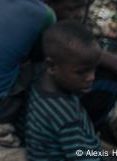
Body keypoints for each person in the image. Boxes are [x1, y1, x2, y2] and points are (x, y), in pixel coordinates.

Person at [36, 0, 117, 127]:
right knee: (109, 81)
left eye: (83, 7)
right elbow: (116, 65)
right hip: (46, 101)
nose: (79, 14)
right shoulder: (49, 32)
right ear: (47, 4)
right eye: (72, 8)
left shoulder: (48, 19)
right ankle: (87, 126)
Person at [22, 21, 103, 161]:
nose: (91, 77)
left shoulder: (37, 77)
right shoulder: (67, 115)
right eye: (82, 72)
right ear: (51, 66)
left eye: (94, 69)